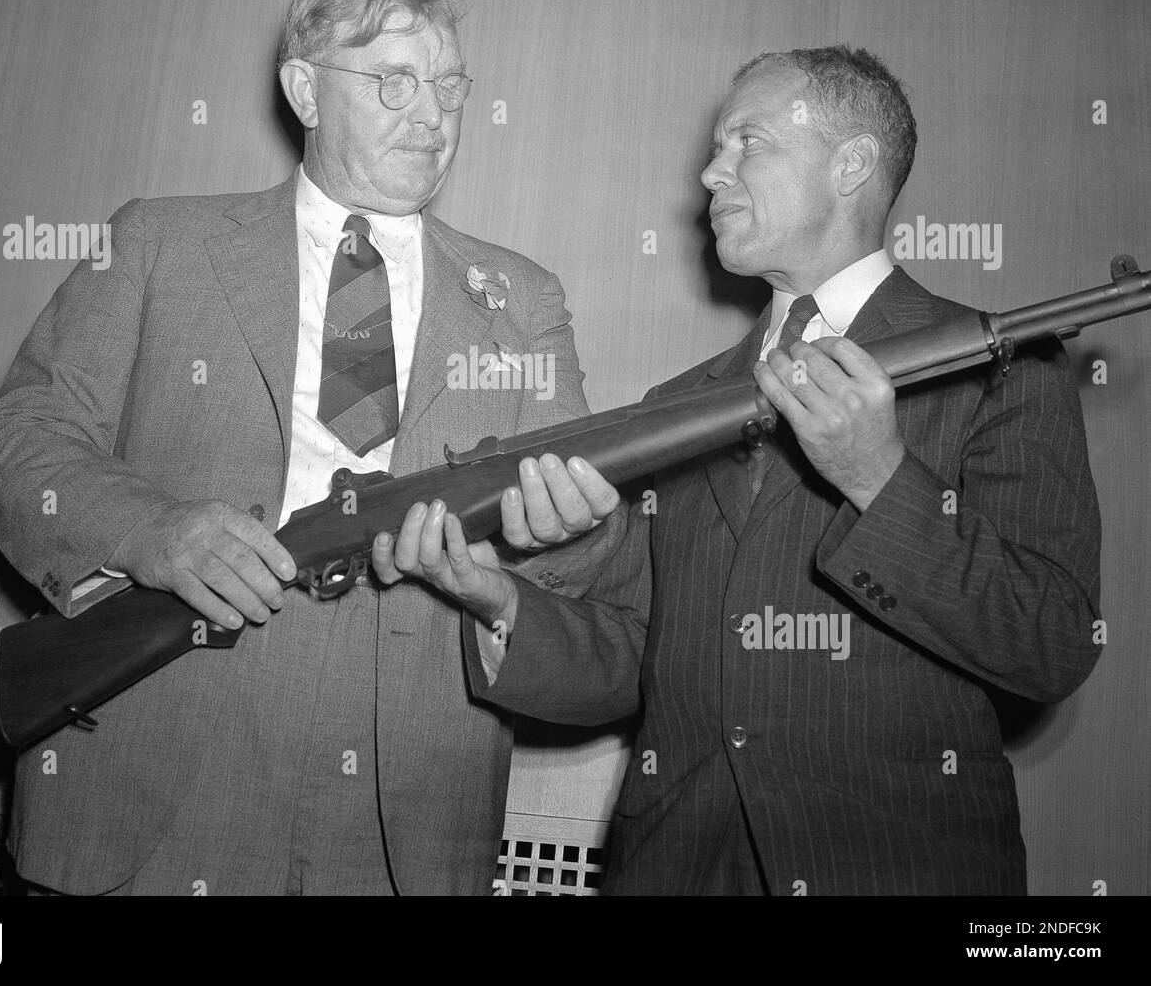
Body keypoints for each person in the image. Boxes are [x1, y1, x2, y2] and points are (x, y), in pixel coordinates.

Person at [378, 45, 1103, 895]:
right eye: (714, 151)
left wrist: (879, 478)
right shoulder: (678, 403)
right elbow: (636, 658)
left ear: (852, 163)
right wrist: (499, 601)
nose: (711, 176)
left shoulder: (1004, 364)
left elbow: (1054, 643)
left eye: (746, 144)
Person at [0, 0, 619, 896]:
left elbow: (582, 564)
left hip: (404, 815)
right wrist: (153, 531)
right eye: (392, 80)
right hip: (157, 774)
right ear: (305, 90)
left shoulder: (523, 300)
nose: (432, 116)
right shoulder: (158, 242)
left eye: (448, 85)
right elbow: (20, 442)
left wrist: (570, 531)